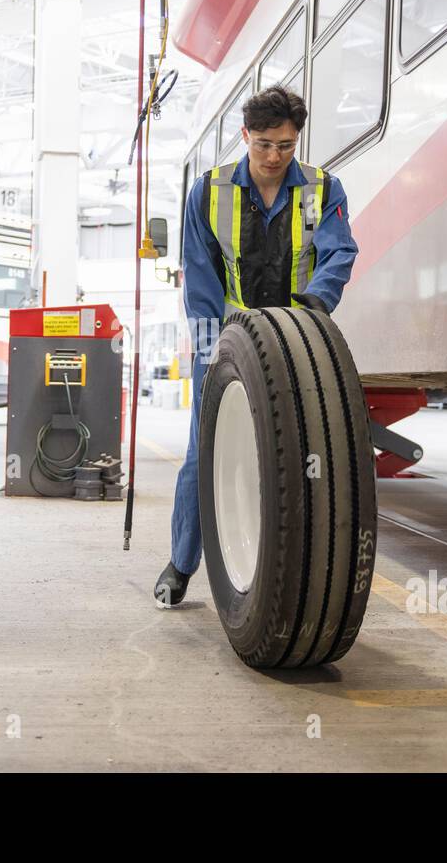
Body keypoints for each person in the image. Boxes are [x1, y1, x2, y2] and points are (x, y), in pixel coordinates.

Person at [155, 86, 359, 606]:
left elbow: (340, 253)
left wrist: (316, 305)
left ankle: (292, 569)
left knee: (306, 456)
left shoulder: (322, 189)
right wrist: (209, 355)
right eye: (264, 144)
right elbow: (200, 280)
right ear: (244, 136)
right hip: (228, 343)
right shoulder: (208, 192)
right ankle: (181, 563)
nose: (274, 157)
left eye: (286, 146)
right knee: (206, 452)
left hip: (298, 339)